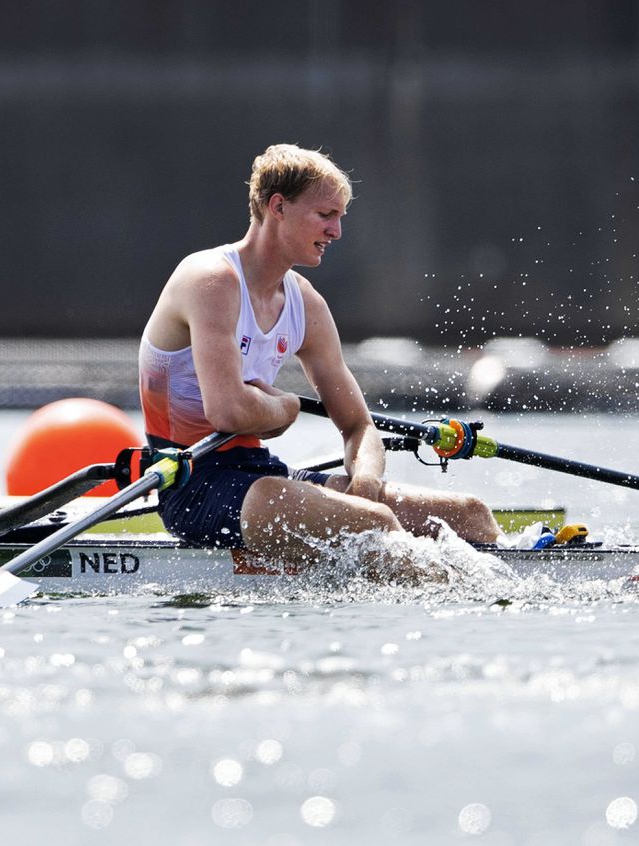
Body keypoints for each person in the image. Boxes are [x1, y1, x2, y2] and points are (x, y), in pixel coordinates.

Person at [139, 143, 501, 574]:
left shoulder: (304, 305)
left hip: (261, 475)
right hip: (194, 484)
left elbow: (357, 425)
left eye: (340, 218)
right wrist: (286, 407)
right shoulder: (211, 281)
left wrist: (364, 485)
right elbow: (228, 411)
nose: (336, 232)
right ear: (278, 207)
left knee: (470, 516)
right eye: (325, 215)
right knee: (378, 527)